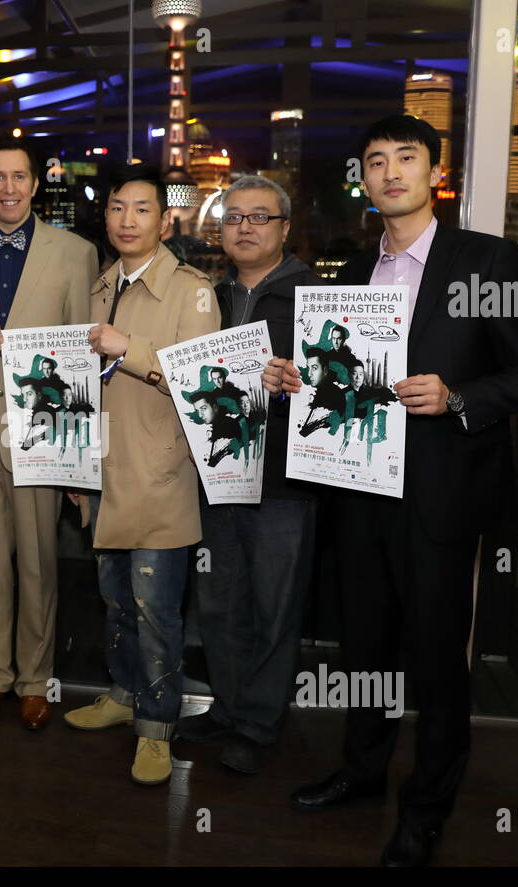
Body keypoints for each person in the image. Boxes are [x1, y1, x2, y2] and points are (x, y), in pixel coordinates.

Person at [287, 115, 518, 866]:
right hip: (359, 492)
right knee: (364, 648)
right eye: (376, 161)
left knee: (437, 662)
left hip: (440, 495)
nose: (390, 172)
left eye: (406, 158)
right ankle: (364, 774)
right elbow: (342, 377)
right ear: (362, 180)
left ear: (435, 170)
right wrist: (295, 380)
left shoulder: (488, 262)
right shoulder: (348, 276)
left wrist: (458, 395)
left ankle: (427, 808)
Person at [0, 141, 99, 731]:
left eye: (18, 177)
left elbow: (84, 349)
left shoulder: (76, 252)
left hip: (43, 431)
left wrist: (81, 455)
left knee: (39, 565)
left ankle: (35, 681)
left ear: (35, 184)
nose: (8, 188)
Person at [63, 163, 218, 785]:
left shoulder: (192, 289)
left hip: (159, 476)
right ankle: (124, 696)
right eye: (117, 208)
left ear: (164, 219)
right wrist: (70, 460)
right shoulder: (97, 285)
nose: (128, 220)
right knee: (115, 602)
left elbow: (204, 382)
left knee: (157, 609)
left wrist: (128, 348)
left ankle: (158, 726)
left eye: (142, 209)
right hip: (101, 471)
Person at [174, 174, 326, 775]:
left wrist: (299, 384)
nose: (244, 226)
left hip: (286, 481)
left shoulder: (315, 297)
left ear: (284, 229)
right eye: (234, 217)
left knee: (274, 604)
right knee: (218, 600)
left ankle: (260, 723)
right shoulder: (208, 297)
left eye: (259, 217)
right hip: (219, 472)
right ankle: (228, 707)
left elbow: (351, 384)